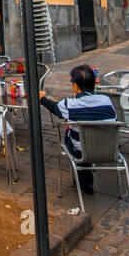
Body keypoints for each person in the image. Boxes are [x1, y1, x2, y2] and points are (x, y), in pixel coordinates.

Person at [38, 64, 117, 195]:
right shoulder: (107, 100)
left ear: (75, 86)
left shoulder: (70, 105)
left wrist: (41, 98)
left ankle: (85, 181)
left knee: (71, 133)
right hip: (107, 148)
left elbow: (53, 107)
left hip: (82, 149)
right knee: (76, 128)